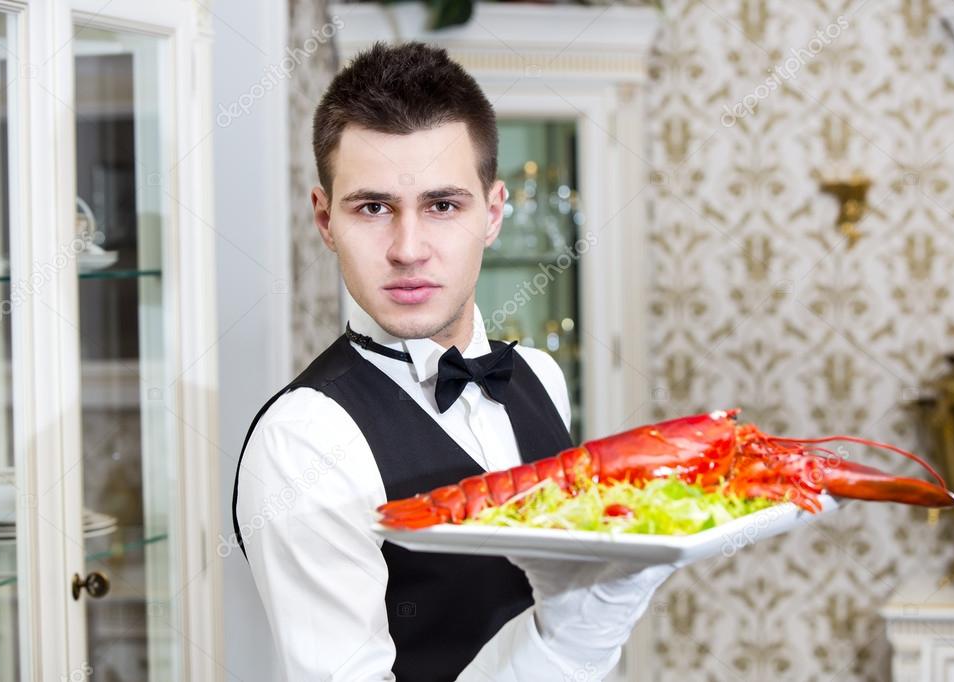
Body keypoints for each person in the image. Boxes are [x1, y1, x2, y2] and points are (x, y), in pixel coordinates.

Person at [232, 40, 678, 681]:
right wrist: (577, 632)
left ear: (492, 213)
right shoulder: (303, 441)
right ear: (325, 220)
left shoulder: (541, 378)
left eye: (443, 205)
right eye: (373, 207)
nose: (408, 249)